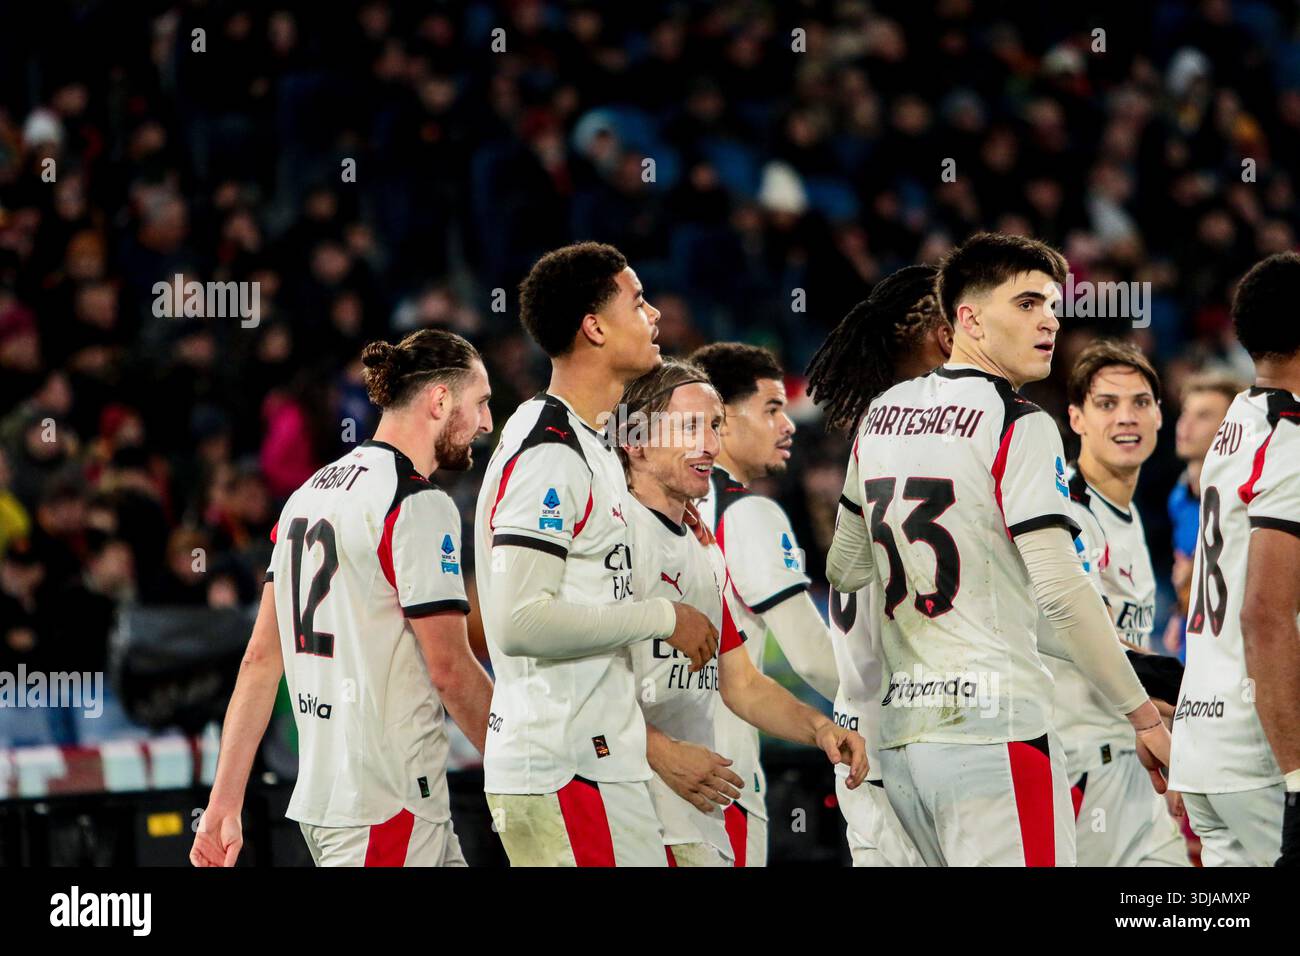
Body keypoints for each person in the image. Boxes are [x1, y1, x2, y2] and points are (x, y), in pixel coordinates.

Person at [826, 232, 1172, 866]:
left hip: (903, 744)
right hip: (997, 735)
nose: (1049, 320)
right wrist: (1144, 718)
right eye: (1028, 303)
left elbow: (845, 568)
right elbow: (1063, 593)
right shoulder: (1019, 421)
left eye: (1053, 306)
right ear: (968, 318)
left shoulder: (880, 414)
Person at [191, 329, 495, 867]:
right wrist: (524, 767)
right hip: (388, 803)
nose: (487, 423)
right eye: (481, 402)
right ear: (440, 400)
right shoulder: (416, 502)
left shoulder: (305, 495)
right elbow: (451, 669)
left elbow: (261, 660)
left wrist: (223, 801)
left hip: (334, 799)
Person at [475, 242, 717, 867]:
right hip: (566, 767)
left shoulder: (587, 443)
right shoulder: (550, 453)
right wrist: (665, 616)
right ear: (595, 327)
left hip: (595, 761)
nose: (655, 315)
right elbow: (518, 620)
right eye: (638, 302)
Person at [619, 360, 869, 866]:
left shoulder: (702, 542)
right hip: (649, 793)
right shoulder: (612, 533)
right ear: (637, 440)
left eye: (711, 426)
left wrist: (821, 728)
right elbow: (571, 672)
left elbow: (740, 680)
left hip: (704, 790)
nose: (709, 443)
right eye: (771, 408)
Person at [805, 263, 950, 867]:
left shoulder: (873, 438)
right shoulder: (942, 447)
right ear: (947, 334)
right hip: (925, 735)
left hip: (866, 732)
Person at [686, 341, 841, 866]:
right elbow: (814, 658)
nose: (788, 424)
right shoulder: (747, 513)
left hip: (651, 766)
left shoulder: (654, 507)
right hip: (721, 776)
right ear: (721, 419)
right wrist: (900, 709)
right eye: (772, 408)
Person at [1170, 252, 1300, 867]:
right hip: (1263, 754)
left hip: (1204, 743)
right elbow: (1263, 616)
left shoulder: (1242, 418)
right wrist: (1299, 778)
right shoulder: (1292, 438)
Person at [1039, 339, 1189, 866]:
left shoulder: (1128, 513)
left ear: (1159, 414)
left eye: (1140, 402)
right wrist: (1201, 697)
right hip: (1081, 770)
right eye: (1107, 404)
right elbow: (1098, 640)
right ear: (1076, 417)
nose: (1126, 417)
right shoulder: (1069, 514)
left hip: (1133, 759)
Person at [1163, 373, 1243, 659]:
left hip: (1231, 655)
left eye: (1204, 415)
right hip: (1192, 652)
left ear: (1229, 428)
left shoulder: (1246, 499)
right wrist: (1178, 612)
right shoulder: (1179, 496)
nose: (1186, 425)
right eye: (1186, 413)